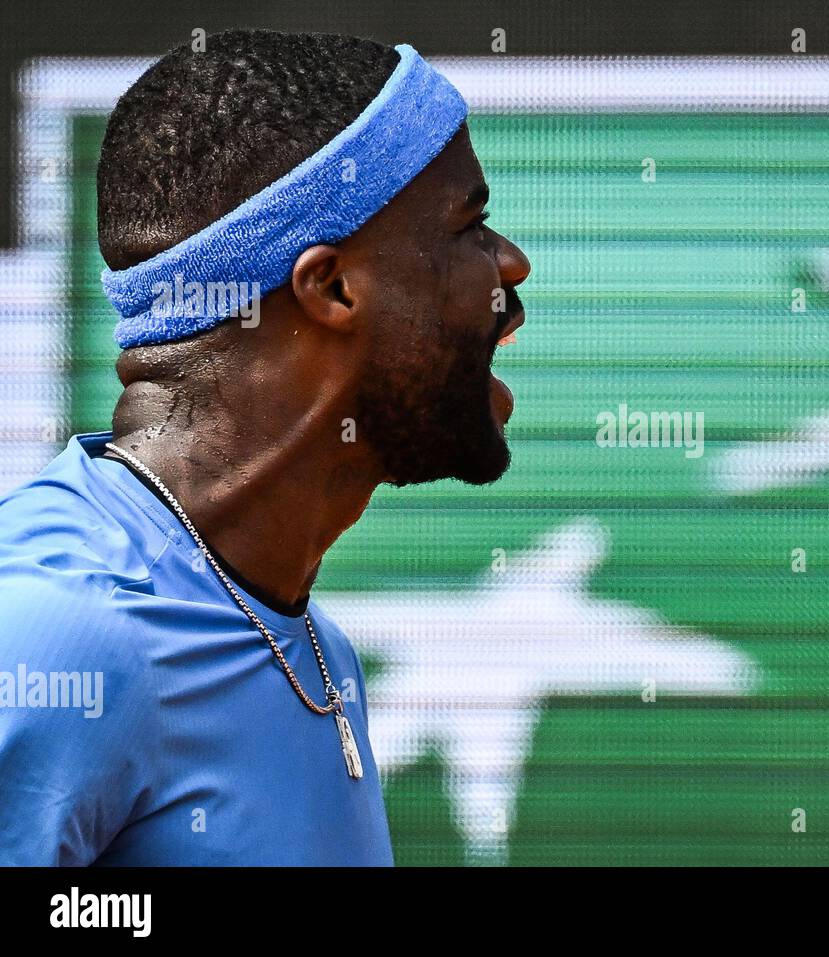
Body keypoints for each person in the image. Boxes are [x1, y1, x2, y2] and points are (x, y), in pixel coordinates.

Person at [0, 28, 530, 865]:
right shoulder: (56, 631)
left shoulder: (314, 650)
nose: (513, 265)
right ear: (332, 288)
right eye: (472, 226)